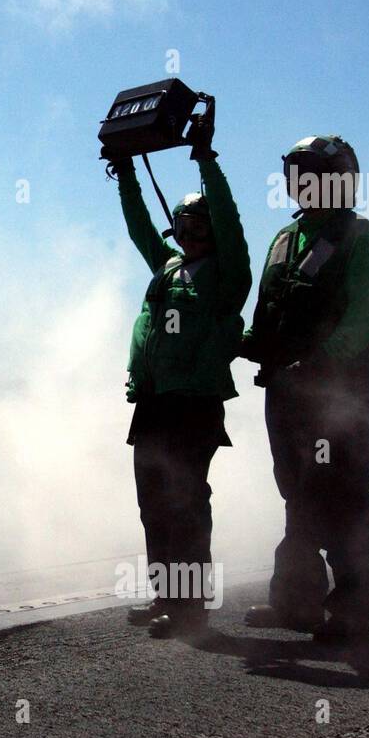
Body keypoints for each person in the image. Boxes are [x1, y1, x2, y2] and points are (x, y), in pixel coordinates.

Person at [108, 108, 251, 638]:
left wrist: (206, 159)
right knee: (153, 504)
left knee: (186, 503)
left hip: (193, 403)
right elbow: (139, 227)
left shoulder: (229, 275)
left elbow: (234, 228)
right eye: (183, 224)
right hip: (153, 403)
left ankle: (190, 609)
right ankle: (167, 595)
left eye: (198, 224)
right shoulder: (167, 265)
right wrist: (124, 173)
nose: (187, 232)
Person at [241, 135, 369, 645]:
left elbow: (363, 318)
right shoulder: (283, 239)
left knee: (343, 498)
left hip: (341, 396)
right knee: (297, 494)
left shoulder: (361, 239)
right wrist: (234, 344)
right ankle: (297, 603)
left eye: (309, 174)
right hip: (286, 396)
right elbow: (265, 319)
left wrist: (319, 363)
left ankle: (351, 614)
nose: (298, 184)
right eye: (294, 174)